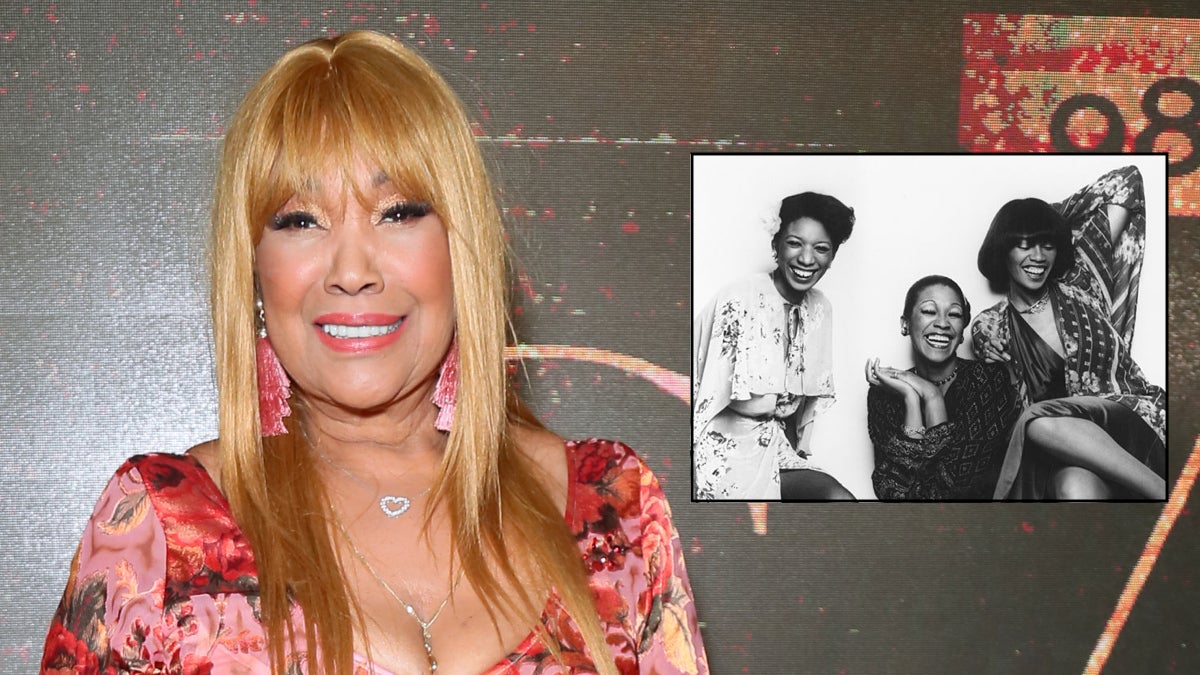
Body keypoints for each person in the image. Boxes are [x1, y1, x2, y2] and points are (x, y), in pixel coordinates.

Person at [41, 31, 707, 674]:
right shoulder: (159, 530)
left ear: (461, 246)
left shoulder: (616, 510)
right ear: (254, 270)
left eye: (397, 212)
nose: (353, 270)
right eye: (301, 219)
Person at [971, 166, 1166, 500]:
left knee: (1037, 422)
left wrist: (1046, 220)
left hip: (1127, 422)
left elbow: (1128, 182)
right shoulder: (992, 324)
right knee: (1072, 485)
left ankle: (1167, 493)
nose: (1038, 257)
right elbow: (1006, 401)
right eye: (1023, 245)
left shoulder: (1083, 281)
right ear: (1003, 250)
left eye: (1047, 245)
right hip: (1069, 444)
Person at [693, 191, 856, 501]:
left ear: (833, 256)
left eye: (821, 248)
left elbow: (799, 400)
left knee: (838, 499)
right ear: (776, 244)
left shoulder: (820, 309)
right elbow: (699, 390)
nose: (806, 259)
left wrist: (794, 455)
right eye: (795, 243)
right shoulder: (739, 297)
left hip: (775, 448)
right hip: (720, 452)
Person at [865, 276, 1017, 500]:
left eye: (954, 314)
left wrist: (932, 396)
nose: (943, 323)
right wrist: (911, 399)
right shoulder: (885, 393)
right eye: (929, 311)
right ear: (905, 324)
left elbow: (952, 490)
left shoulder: (987, 380)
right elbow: (891, 490)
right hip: (913, 521)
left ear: (962, 331)